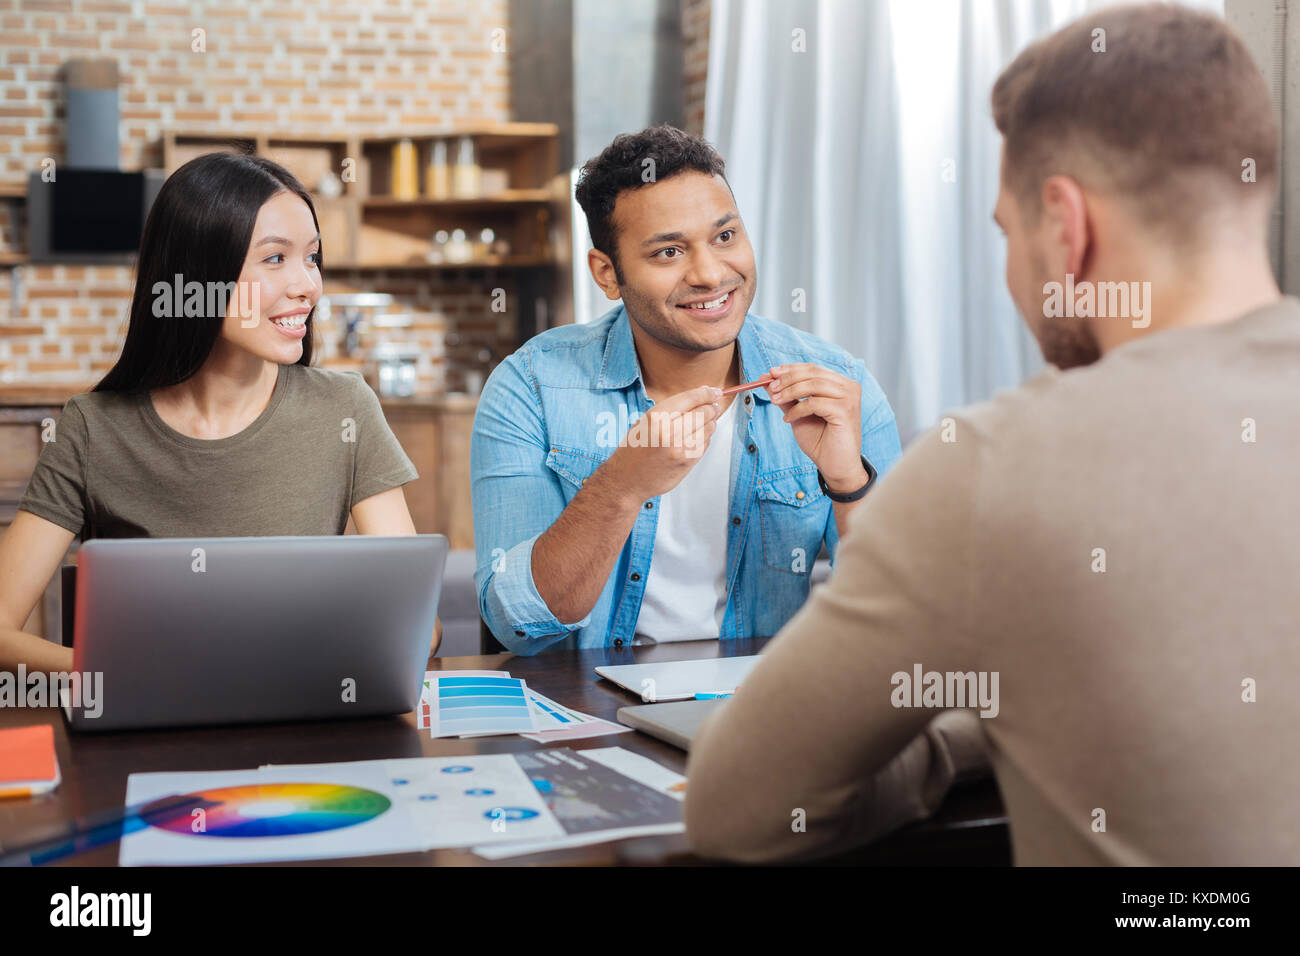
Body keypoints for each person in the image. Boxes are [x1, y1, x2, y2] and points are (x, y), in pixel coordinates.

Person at [685, 2, 1298, 864]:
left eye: (1008, 234)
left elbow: (736, 809)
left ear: (1066, 225)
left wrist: (966, 734)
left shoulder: (991, 468)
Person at [471, 125, 902, 654]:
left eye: (725, 237)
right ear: (607, 274)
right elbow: (515, 623)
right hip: (589, 708)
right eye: (669, 252)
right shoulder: (530, 387)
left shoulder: (840, 384)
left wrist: (847, 481)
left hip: (758, 707)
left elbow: (900, 614)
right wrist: (620, 487)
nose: (710, 273)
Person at [0, 153, 435, 674]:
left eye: (312, 258)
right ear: (197, 277)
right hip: (145, 741)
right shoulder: (94, 428)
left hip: (303, 724)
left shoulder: (346, 408)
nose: (308, 286)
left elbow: (419, 623)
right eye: (275, 259)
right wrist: (123, 678)